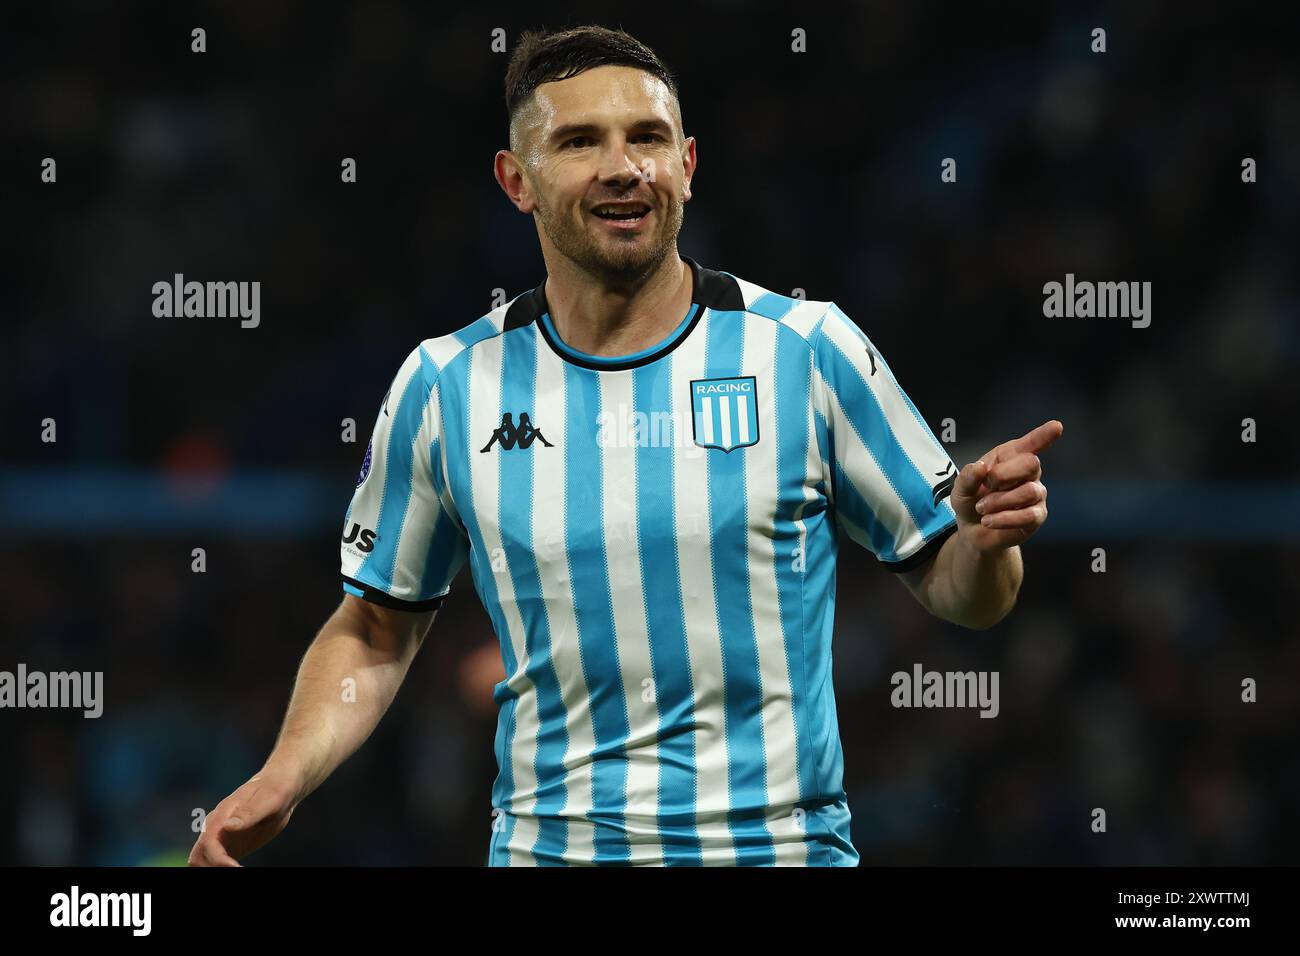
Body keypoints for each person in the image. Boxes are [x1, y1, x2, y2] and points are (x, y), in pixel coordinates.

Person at [189, 24, 1061, 868]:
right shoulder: (446, 385)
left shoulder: (807, 350)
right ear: (516, 180)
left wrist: (987, 547)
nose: (621, 167)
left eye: (647, 137)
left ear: (686, 165)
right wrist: (284, 776)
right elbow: (376, 627)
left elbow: (966, 589)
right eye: (579, 142)